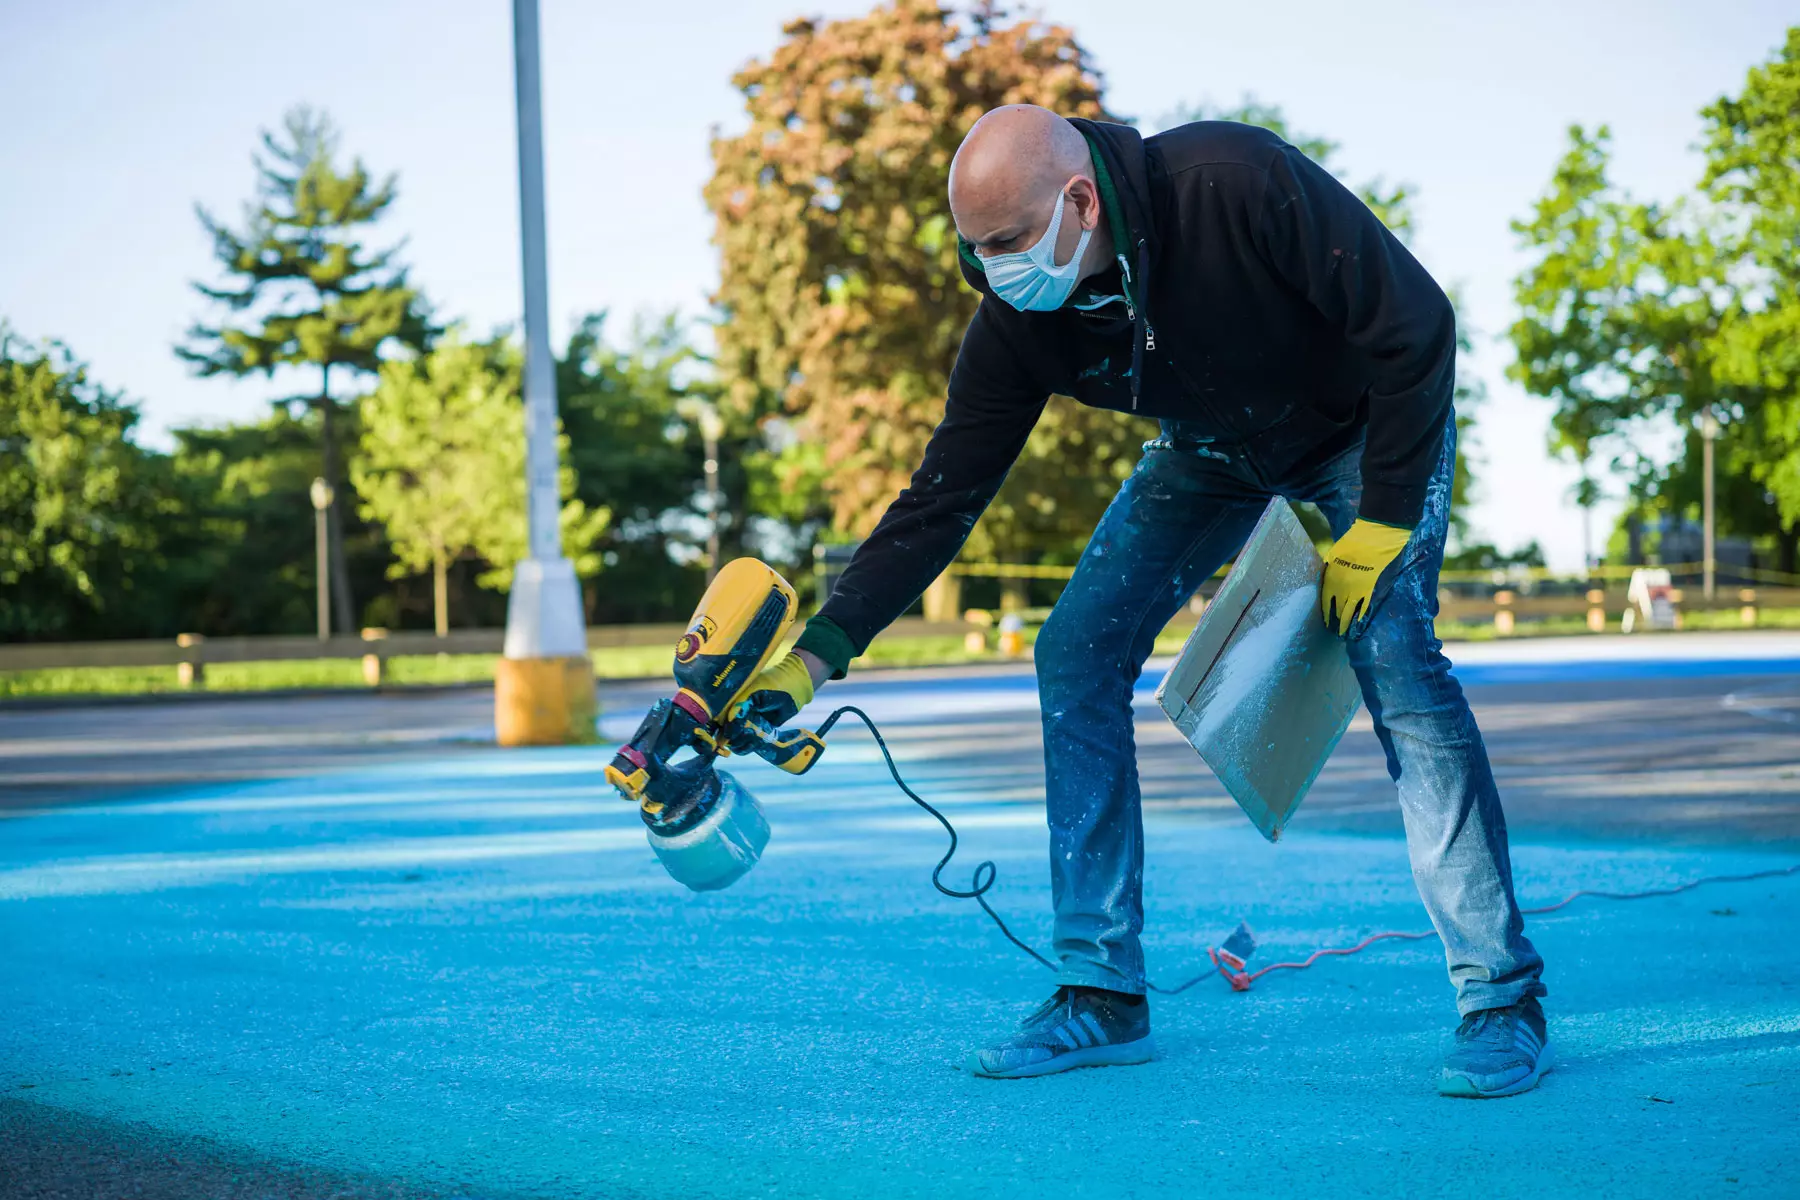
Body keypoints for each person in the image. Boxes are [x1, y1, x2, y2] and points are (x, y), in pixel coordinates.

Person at [732, 104, 1549, 1097]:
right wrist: (815, 654)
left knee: (1394, 656)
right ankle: (1101, 991)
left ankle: (1501, 997)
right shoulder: (1018, 321)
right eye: (974, 247)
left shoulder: (1231, 182)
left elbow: (1416, 325)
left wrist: (1378, 525)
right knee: (1073, 650)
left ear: (1080, 200)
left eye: (1007, 242)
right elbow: (943, 495)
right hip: (1207, 451)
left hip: (1361, 436)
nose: (992, 268)